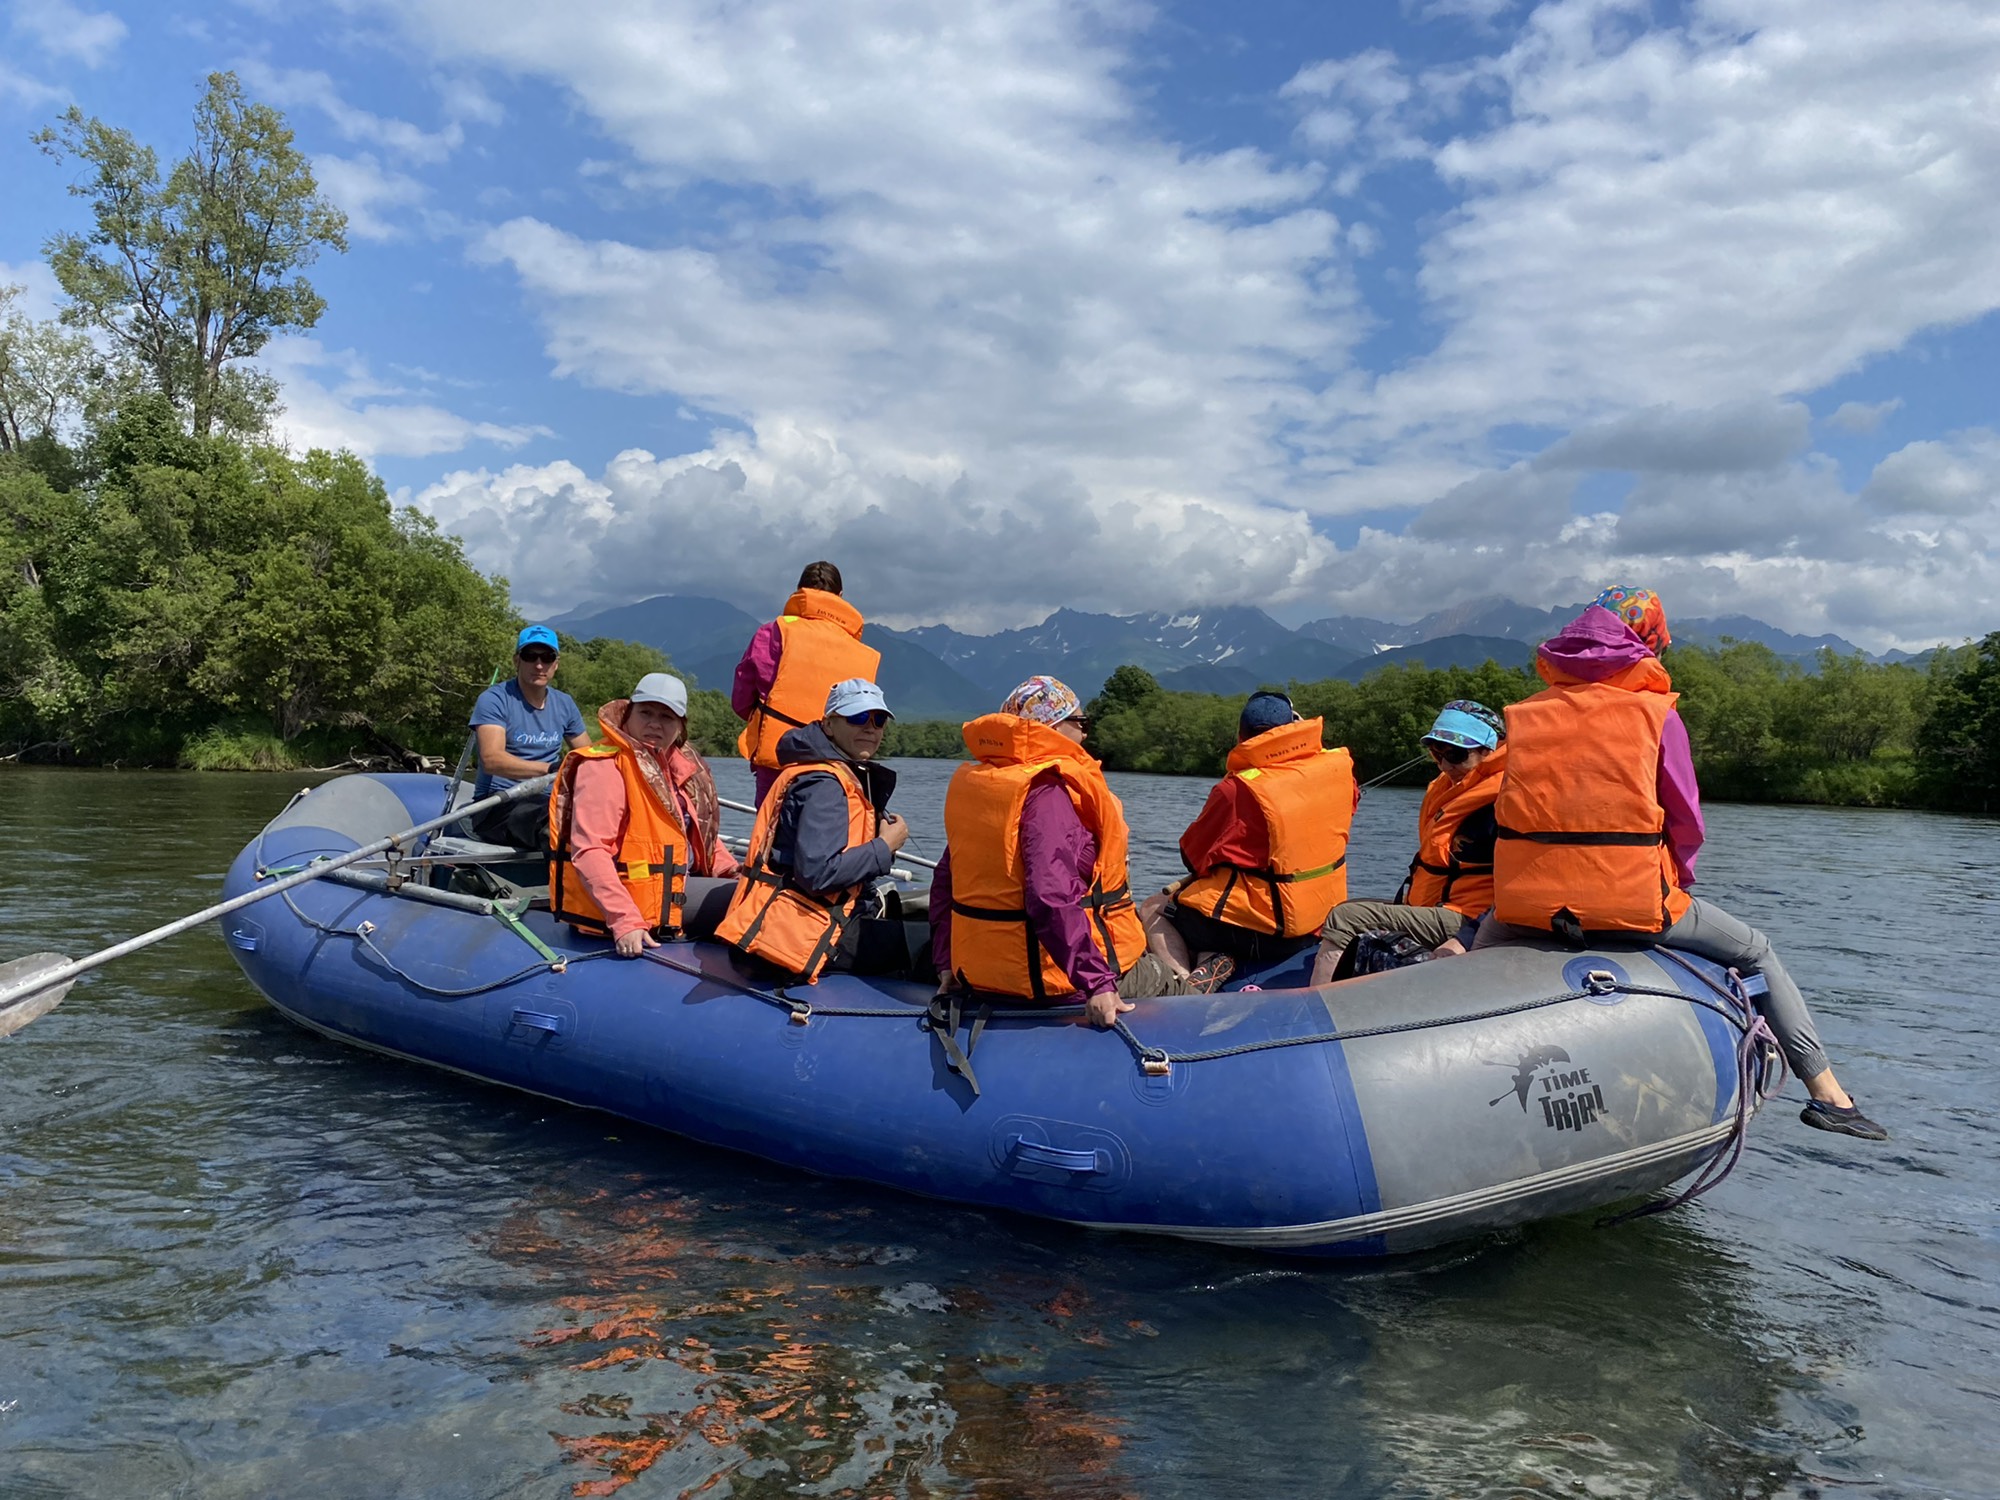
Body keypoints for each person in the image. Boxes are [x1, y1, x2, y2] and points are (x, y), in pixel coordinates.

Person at [1472, 586, 1887, 1140]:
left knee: (1475, 956)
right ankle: (1828, 1095)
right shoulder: (1657, 716)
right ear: (1646, 648)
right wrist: (1674, 882)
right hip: (1633, 904)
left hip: (1527, 904)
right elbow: (1686, 822)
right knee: (1758, 949)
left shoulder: (1526, 717)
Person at [930, 676, 1217, 1031]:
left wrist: (946, 961)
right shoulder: (1049, 791)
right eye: (1080, 722)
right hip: (1057, 983)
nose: (1085, 734)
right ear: (1052, 728)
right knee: (1187, 999)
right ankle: (1201, 985)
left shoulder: (988, 788)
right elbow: (1049, 895)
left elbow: (946, 881)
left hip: (985, 978)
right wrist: (1096, 982)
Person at [1146, 690, 1357, 982]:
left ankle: (1183, 984)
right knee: (1213, 908)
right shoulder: (1341, 771)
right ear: (1294, 726)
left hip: (1266, 931)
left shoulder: (1237, 790)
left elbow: (1192, 857)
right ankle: (1212, 959)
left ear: (1240, 736)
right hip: (1320, 922)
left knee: (1154, 908)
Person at [716, 678, 910, 982]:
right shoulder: (825, 785)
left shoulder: (828, 772)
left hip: (798, 918)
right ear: (829, 725)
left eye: (879, 719)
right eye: (857, 717)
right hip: (802, 932)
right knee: (933, 941)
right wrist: (885, 846)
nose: (870, 727)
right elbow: (819, 874)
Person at [1308, 700, 1507, 984]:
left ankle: (1316, 1012)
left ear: (1488, 752)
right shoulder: (1450, 790)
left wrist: (1467, 936)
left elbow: (1514, 886)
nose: (1446, 764)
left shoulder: (1501, 803)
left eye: (1457, 755)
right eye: (1437, 754)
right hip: (1437, 907)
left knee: (1345, 917)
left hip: (1468, 916)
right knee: (1350, 909)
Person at [547, 673, 741, 957]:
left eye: (666, 717)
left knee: (759, 890)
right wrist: (624, 919)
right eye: (646, 712)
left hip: (670, 889)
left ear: (680, 727)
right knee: (753, 902)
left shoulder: (672, 768)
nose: (654, 723)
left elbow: (693, 834)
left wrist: (731, 870)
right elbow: (590, 850)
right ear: (628, 714)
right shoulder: (604, 767)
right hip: (636, 901)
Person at [733, 561, 883, 808]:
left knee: (771, 836)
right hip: (839, 767)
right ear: (841, 597)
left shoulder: (774, 632)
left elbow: (741, 700)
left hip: (779, 761)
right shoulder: (864, 653)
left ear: (799, 592)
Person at [466, 624, 591, 848]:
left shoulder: (565, 703)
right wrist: (551, 769)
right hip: (497, 806)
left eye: (547, 657)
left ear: (556, 664)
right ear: (517, 661)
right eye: (530, 656)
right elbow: (492, 760)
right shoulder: (494, 699)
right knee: (555, 820)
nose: (539, 664)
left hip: (547, 801)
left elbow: (588, 757)